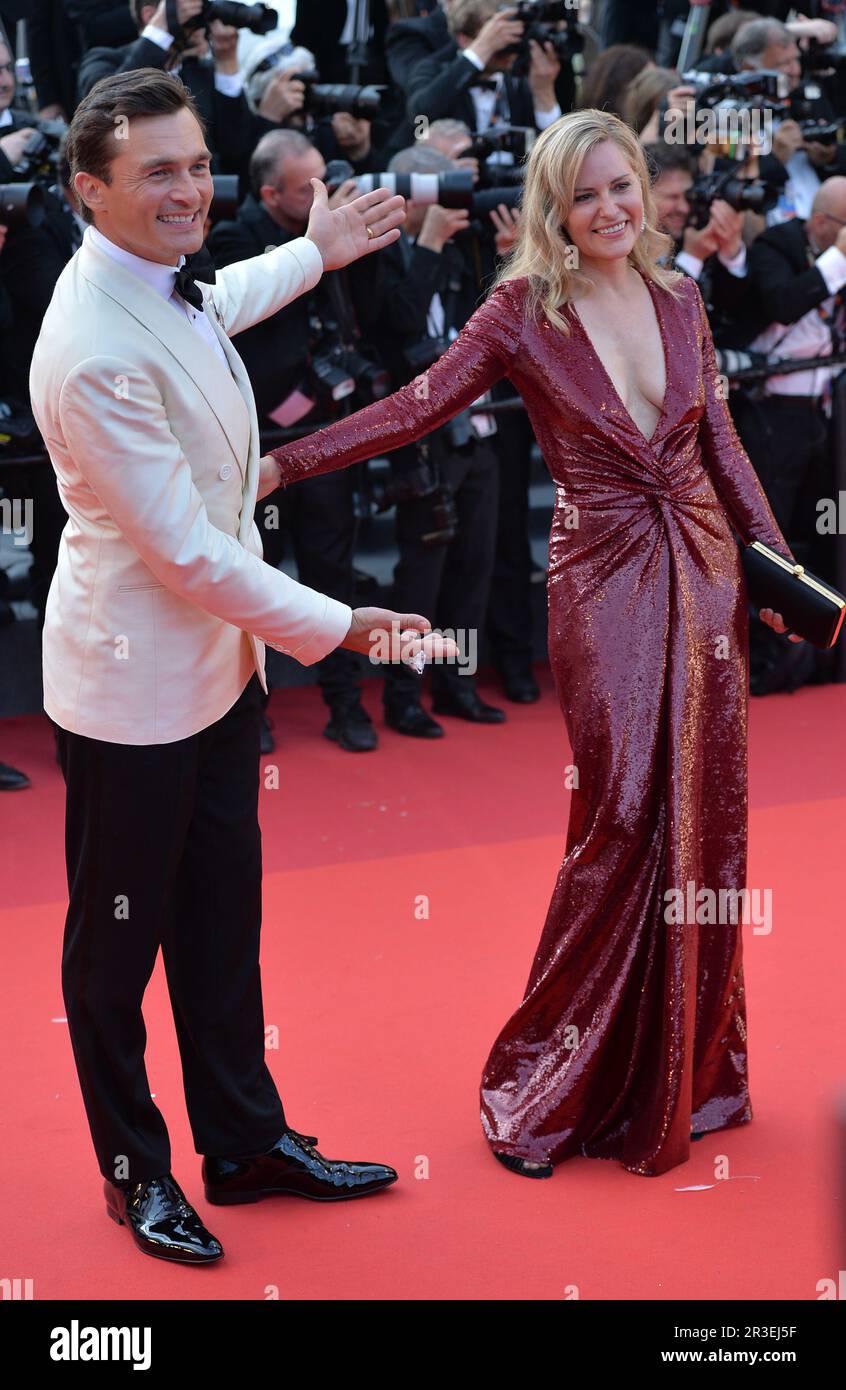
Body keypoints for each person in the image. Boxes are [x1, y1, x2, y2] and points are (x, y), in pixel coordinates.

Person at [266, 109, 800, 1180]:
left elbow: (722, 448)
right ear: (554, 208)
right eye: (586, 194)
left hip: (703, 581)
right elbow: (413, 408)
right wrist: (285, 464)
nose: (610, 210)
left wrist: (784, 571)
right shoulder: (520, 312)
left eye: (623, 187)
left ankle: (684, 1069)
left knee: (704, 819)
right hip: (601, 582)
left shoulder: (683, 296)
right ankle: (554, 1080)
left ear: (645, 190)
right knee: (619, 816)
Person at [28, 65, 454, 1265]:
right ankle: (135, 1174)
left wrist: (314, 253)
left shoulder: (157, 286)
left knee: (222, 925)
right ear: (87, 191)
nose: (189, 191)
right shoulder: (90, 344)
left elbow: (217, 301)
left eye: (197, 165)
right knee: (113, 953)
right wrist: (342, 624)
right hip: (131, 692)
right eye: (157, 172)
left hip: (216, 679)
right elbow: (186, 557)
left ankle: (246, 1144)